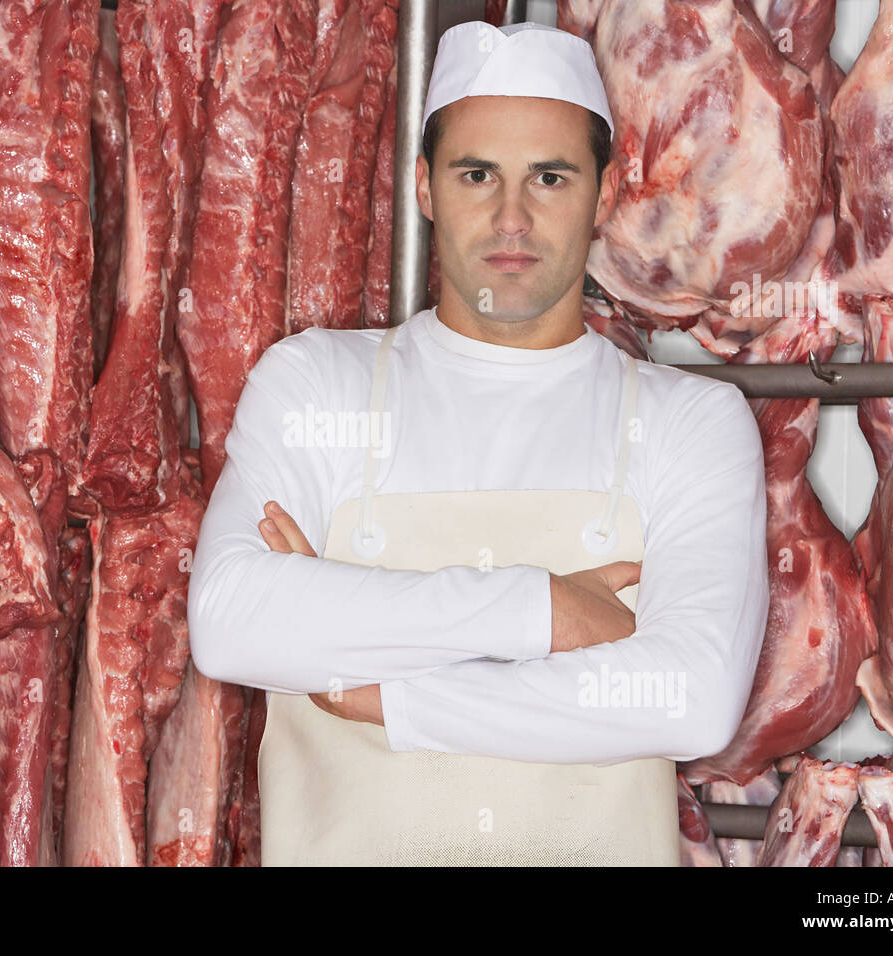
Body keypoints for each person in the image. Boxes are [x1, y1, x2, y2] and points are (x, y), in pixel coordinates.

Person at [188, 20, 769, 866]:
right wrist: (544, 610)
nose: (511, 216)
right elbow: (232, 623)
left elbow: (689, 698)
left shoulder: (690, 421)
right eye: (476, 175)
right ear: (424, 188)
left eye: (550, 177)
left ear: (604, 195)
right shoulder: (317, 383)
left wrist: (390, 693)